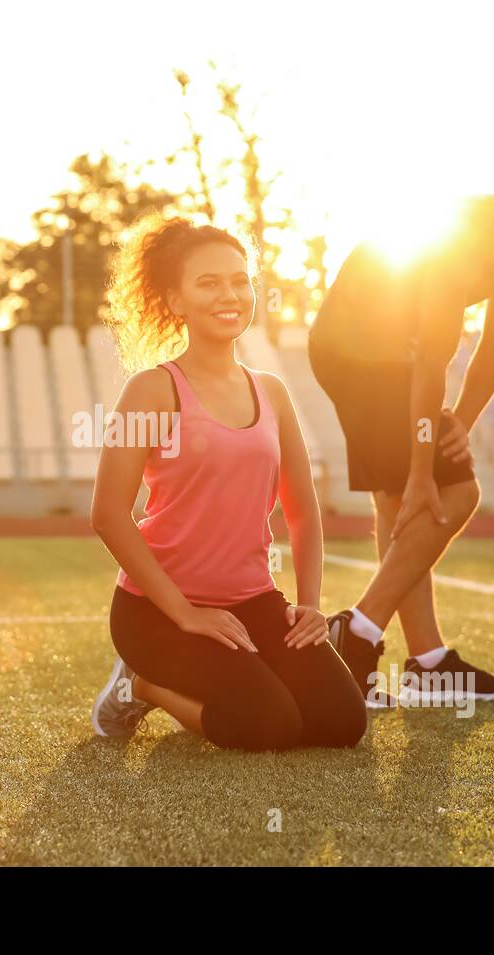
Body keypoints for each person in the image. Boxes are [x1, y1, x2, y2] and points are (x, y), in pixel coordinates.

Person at [308, 148, 494, 706]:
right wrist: (425, 468)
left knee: (404, 510)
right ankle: (358, 633)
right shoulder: (465, 237)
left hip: (381, 351)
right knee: (454, 492)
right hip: (360, 349)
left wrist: (461, 423)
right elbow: (433, 359)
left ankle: (427, 664)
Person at [88, 213, 367, 751]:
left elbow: (303, 510)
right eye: (208, 282)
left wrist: (309, 605)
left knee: (340, 723)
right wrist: (186, 614)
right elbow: (108, 514)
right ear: (176, 301)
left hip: (253, 601)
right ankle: (140, 684)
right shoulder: (150, 390)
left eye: (240, 280)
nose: (229, 294)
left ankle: (234, 671)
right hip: (158, 611)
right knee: (268, 725)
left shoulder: (272, 392)